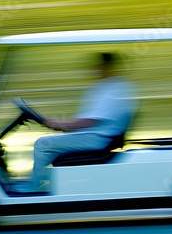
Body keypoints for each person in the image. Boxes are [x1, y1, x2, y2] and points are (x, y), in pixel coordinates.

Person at [29, 52, 136, 193]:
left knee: (42, 144)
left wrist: (61, 125)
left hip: (98, 138)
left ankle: (36, 188)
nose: (95, 70)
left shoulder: (114, 89)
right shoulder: (107, 86)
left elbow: (91, 120)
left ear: (107, 66)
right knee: (52, 144)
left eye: (98, 66)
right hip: (94, 134)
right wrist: (64, 126)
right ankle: (51, 182)